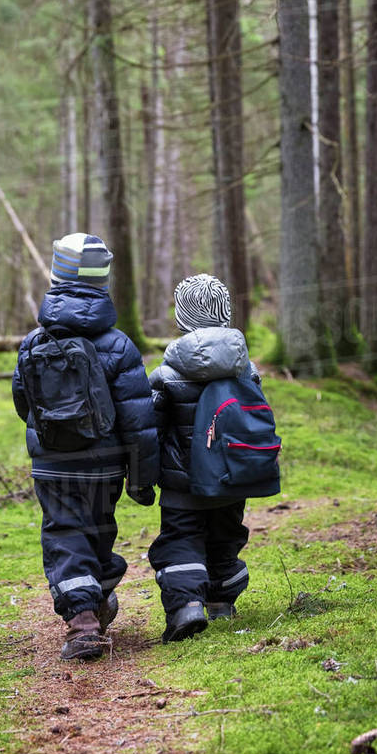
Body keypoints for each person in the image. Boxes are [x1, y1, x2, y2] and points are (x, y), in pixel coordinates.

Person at [12, 232, 158, 661]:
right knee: (98, 531)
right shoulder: (118, 345)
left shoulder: (33, 343)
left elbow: (25, 404)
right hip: (105, 465)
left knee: (64, 534)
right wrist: (142, 477)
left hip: (53, 464)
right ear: (103, 280)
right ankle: (92, 609)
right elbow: (138, 418)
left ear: (57, 276)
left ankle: (83, 617)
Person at [148, 273, 260, 642]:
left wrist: (143, 474)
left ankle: (186, 606)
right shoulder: (247, 369)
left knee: (181, 539)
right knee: (225, 536)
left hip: (183, 481)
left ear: (181, 318)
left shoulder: (166, 373)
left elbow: (151, 427)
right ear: (225, 313)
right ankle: (222, 602)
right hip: (232, 475)